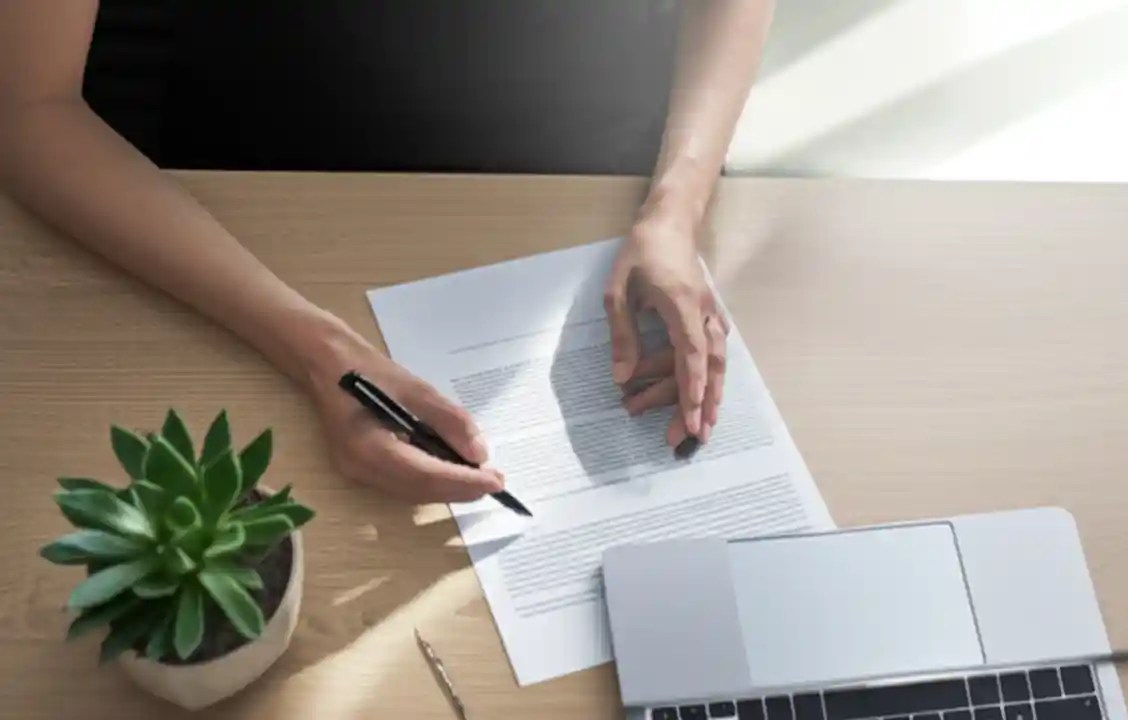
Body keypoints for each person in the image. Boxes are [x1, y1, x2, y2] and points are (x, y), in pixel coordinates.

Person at [0, 1, 770, 503]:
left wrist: (676, 206)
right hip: (275, 211)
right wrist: (319, 351)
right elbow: (29, 110)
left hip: (602, 184)